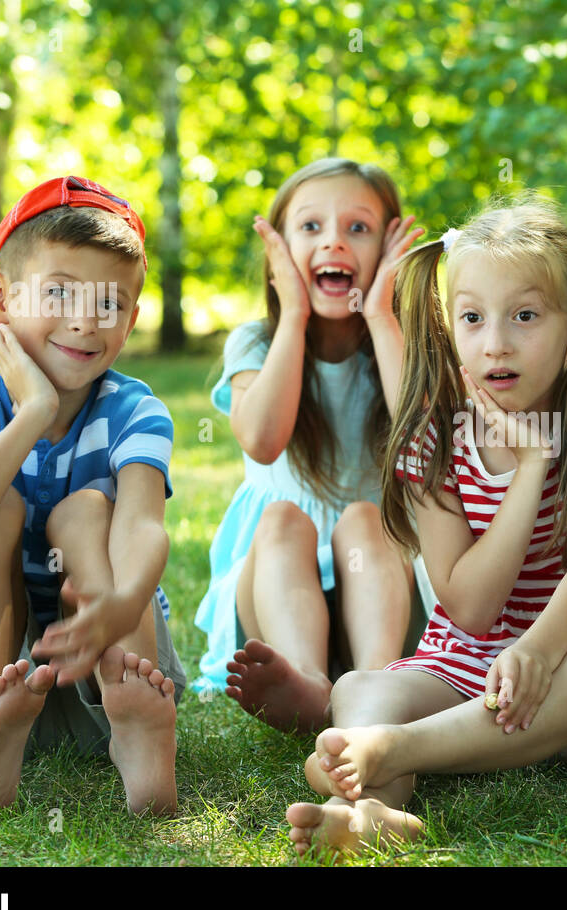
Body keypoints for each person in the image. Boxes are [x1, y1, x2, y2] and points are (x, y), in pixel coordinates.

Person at [284, 195, 567, 855]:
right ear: (449, 323)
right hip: (464, 667)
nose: (495, 341)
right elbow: (469, 608)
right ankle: (366, 811)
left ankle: (398, 751)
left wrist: (538, 651)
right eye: (472, 317)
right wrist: (529, 469)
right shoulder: (433, 437)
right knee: (360, 685)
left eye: (525, 316)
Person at [0, 175, 183, 814]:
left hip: (116, 669)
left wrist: (121, 602)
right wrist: (33, 413)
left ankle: (137, 742)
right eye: (59, 292)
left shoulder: (135, 410)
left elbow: (141, 524)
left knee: (87, 512)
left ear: (132, 319)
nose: (85, 321)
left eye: (110, 302)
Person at [194, 158, 425, 734]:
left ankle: (374, 685)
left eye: (358, 228)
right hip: (276, 594)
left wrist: (380, 315)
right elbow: (264, 441)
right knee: (280, 520)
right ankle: (308, 680)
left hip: (378, 587)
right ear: (280, 250)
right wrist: (293, 314)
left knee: (368, 518)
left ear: (389, 247)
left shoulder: (404, 343)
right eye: (311, 227)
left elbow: (427, 440)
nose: (334, 243)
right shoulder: (258, 341)